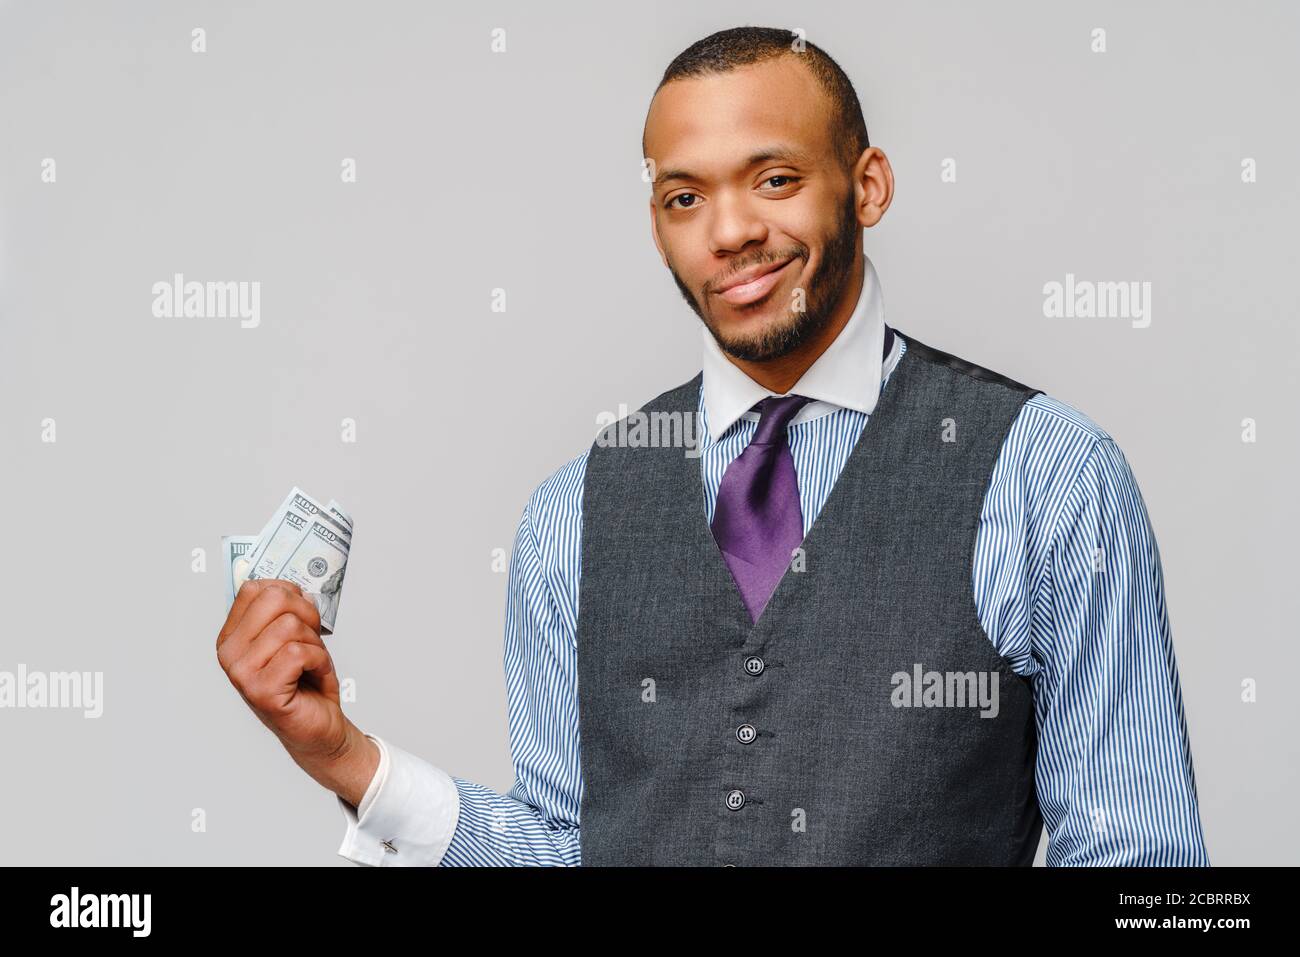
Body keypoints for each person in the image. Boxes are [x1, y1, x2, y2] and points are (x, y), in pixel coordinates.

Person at [215, 26, 1210, 866]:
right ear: (657, 228)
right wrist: (339, 754)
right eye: (684, 197)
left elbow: (1142, 869)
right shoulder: (574, 513)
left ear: (867, 185)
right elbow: (570, 845)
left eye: (773, 178)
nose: (729, 231)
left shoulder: (1047, 473)